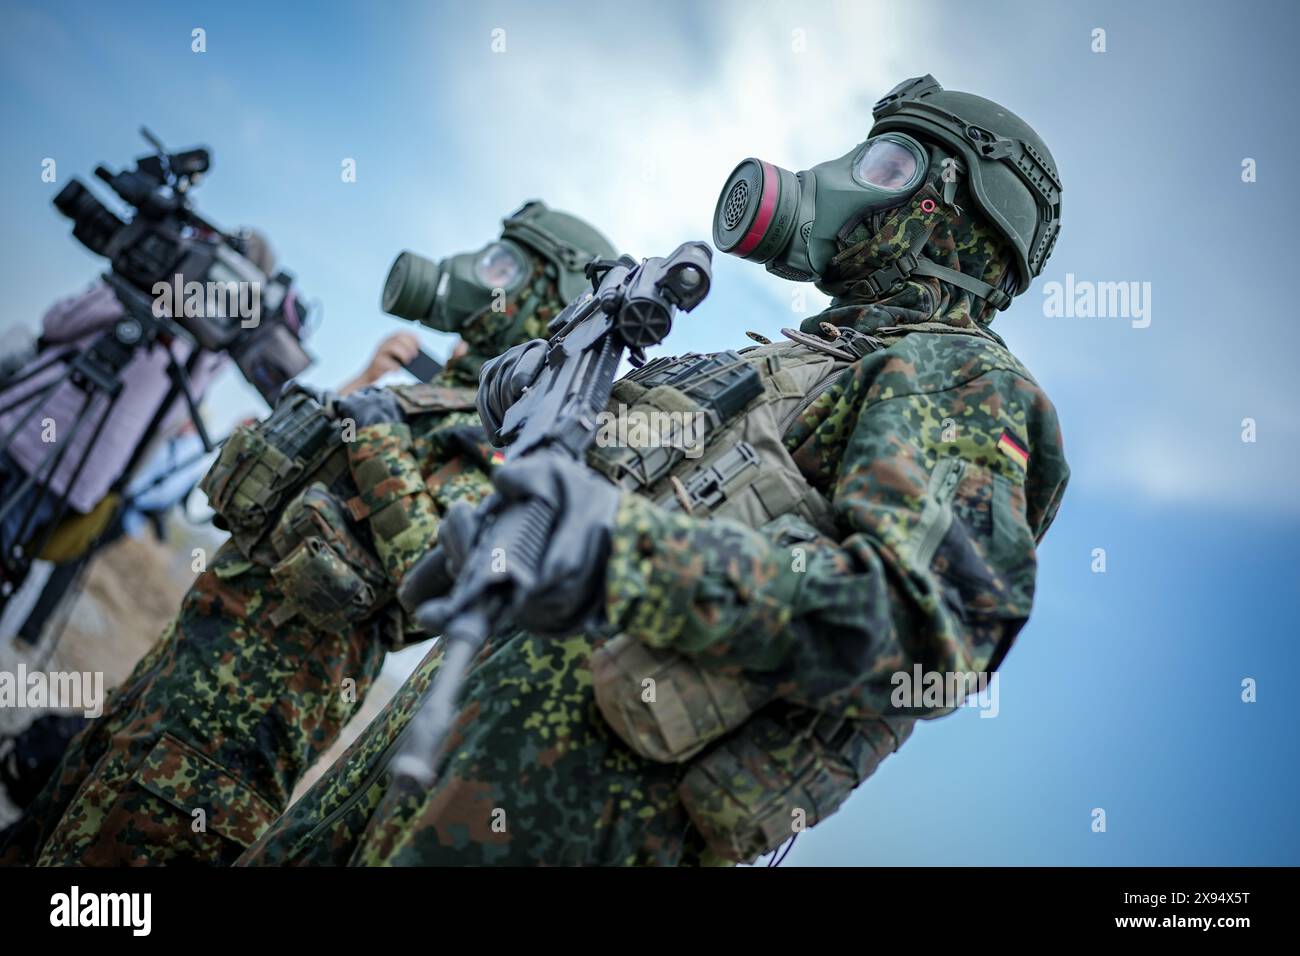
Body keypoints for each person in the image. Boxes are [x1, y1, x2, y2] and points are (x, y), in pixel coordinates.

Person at [241, 75, 1069, 867]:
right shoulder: (779, 364)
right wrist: (515, 394)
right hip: (442, 722)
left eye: (886, 166)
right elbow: (571, 470)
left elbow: (929, 629)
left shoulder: (963, 382)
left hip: (577, 809)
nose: (845, 182)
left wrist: (623, 555)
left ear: (948, 210)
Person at [1, 200, 617, 866]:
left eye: (505, 267)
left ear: (543, 300)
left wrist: (379, 435)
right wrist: (372, 387)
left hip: (236, 725)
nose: (479, 275)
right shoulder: (430, 397)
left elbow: (433, 578)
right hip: (178, 670)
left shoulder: (510, 442)